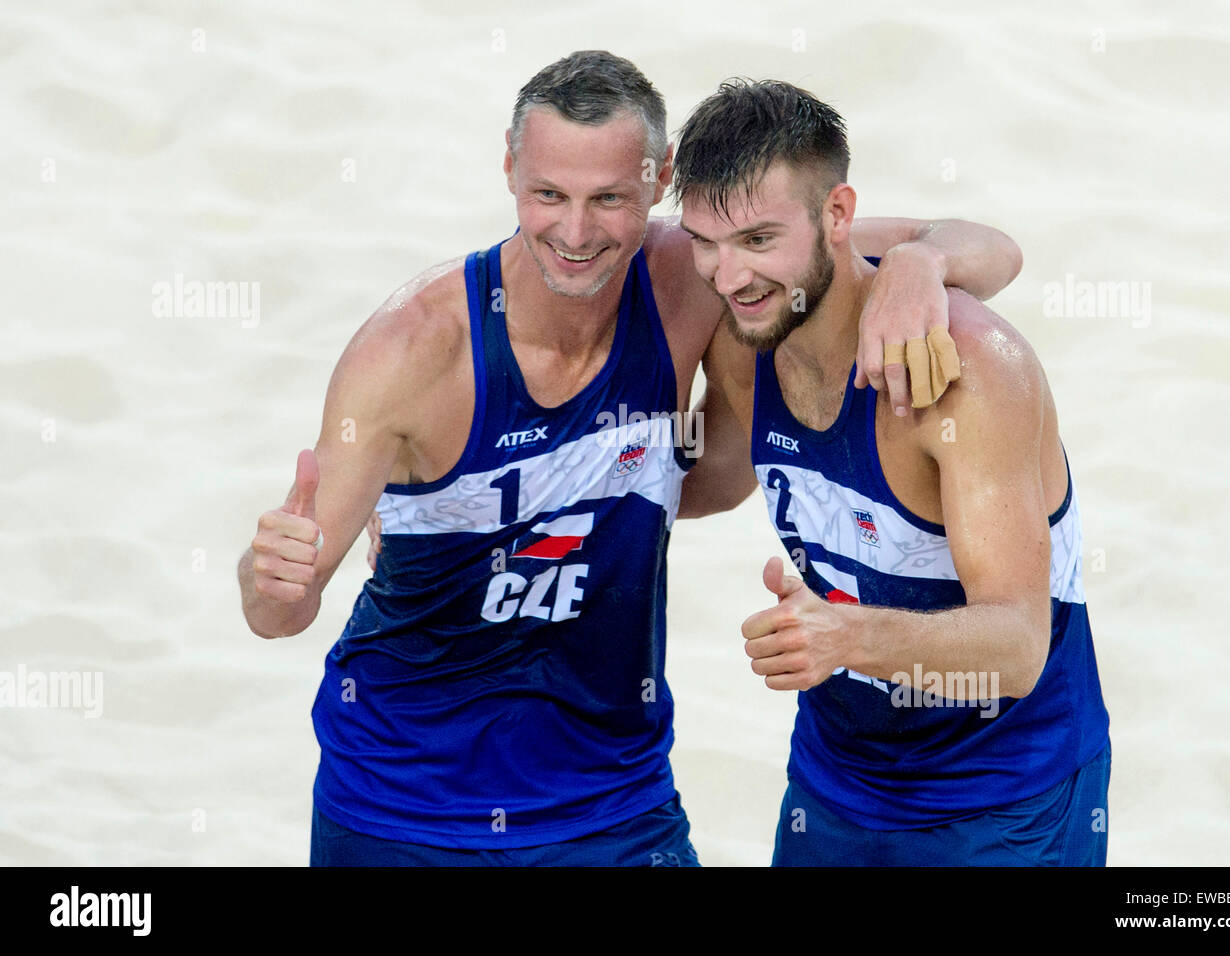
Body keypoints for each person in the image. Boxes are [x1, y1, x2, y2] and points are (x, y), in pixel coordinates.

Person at [237, 51, 1023, 866]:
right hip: (401, 808)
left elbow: (990, 249)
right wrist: (271, 579)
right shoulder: (409, 354)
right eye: (549, 194)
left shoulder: (696, 271)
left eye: (609, 198)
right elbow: (276, 615)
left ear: (661, 180)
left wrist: (916, 267)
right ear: (509, 170)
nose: (575, 234)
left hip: (616, 798)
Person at [673, 78, 1111, 866]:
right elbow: (709, 479)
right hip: (836, 779)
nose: (728, 277)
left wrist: (845, 636)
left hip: (1005, 793)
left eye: (757, 242)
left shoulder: (969, 372)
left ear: (837, 217)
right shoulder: (743, 331)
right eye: (705, 243)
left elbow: (1017, 646)